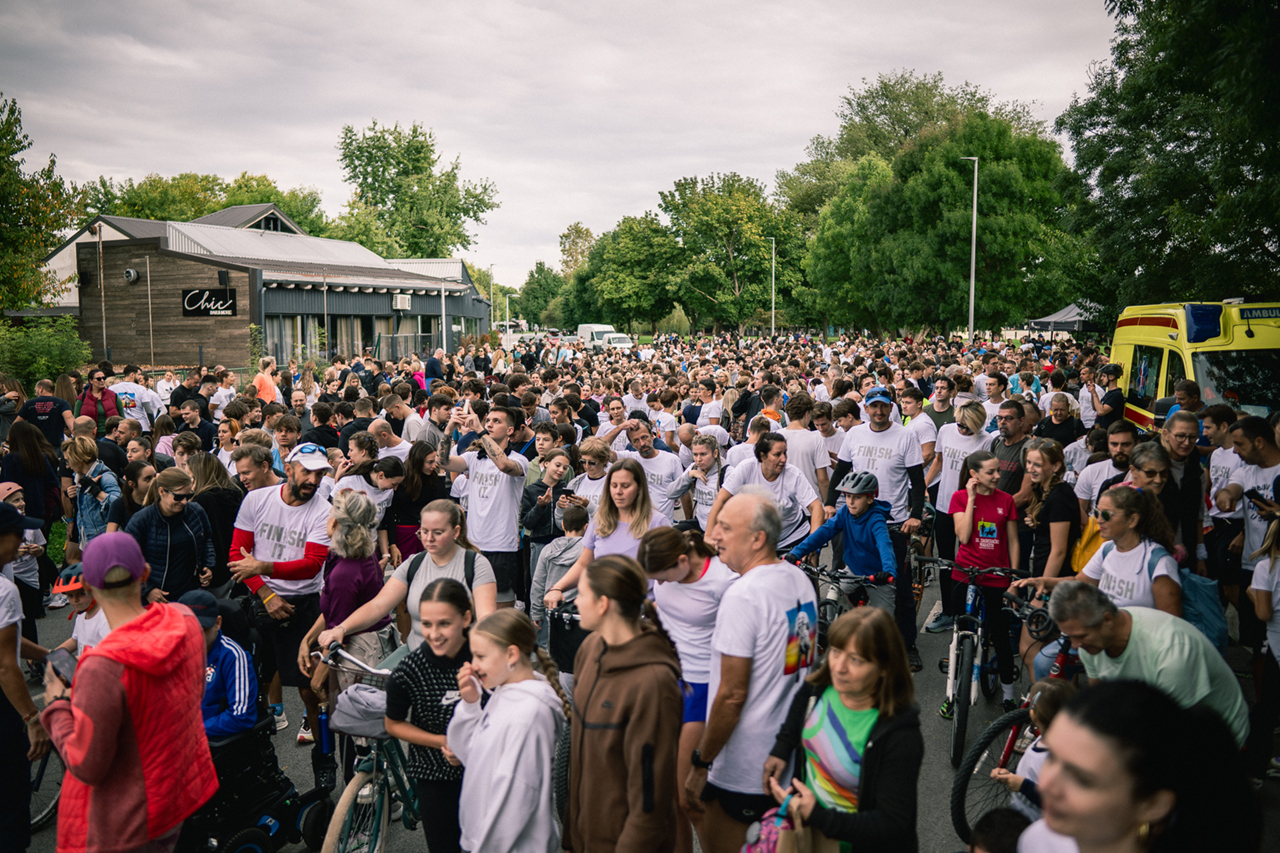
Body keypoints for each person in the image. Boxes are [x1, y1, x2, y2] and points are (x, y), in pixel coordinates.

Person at [40, 533, 218, 851]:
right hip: (173, 796)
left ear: (91, 587)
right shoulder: (187, 621)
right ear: (145, 574)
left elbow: (87, 765)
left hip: (123, 823)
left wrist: (56, 705)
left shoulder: (102, 667)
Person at [685, 492, 819, 853]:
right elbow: (800, 670)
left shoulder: (743, 595)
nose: (713, 536)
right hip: (786, 758)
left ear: (757, 538)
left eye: (726, 528)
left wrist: (701, 763)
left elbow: (732, 695)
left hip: (741, 768)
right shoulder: (799, 580)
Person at [1022, 679, 1259, 853]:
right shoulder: (1038, 840)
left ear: (1153, 804)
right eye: (1052, 757)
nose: (1044, 785)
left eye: (1082, 780)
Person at [763, 606, 923, 852]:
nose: (839, 667)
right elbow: (801, 702)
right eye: (836, 651)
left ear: (884, 667)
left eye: (856, 659)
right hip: (810, 837)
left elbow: (893, 823)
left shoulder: (900, 736)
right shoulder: (822, 684)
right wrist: (782, 747)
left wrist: (817, 816)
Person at [567, 556, 684, 853]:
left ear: (603, 604)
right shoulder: (590, 649)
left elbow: (650, 803)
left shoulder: (653, 684)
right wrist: (571, 838)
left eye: (581, 594)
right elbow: (580, 762)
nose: (575, 602)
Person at [1044, 582, 1249, 748]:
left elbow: (1176, 733)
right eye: (1070, 637)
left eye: (1080, 636)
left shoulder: (1170, 651)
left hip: (1212, 738)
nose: (1076, 646)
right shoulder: (1091, 645)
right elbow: (1102, 702)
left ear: (1107, 619)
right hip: (1154, 717)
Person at [227, 444, 333, 746]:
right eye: (307, 472)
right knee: (252, 686)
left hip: (304, 605)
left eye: (320, 472)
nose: (314, 479)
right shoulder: (256, 500)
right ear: (288, 469)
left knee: (310, 689)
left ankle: (322, 758)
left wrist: (262, 566)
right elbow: (237, 555)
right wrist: (266, 595)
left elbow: (312, 565)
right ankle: (259, 760)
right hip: (261, 599)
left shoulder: (323, 510)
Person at [447, 609, 570, 853]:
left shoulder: (529, 713)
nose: (473, 665)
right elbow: (470, 756)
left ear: (511, 654)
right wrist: (470, 705)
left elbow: (516, 793)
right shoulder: (504, 692)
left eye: (480, 656)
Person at [826, 387, 926, 669]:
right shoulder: (854, 435)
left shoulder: (905, 436)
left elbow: (917, 481)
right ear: (866, 409)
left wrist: (914, 515)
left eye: (883, 406)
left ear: (890, 408)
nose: (879, 411)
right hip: (855, 520)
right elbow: (842, 471)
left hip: (891, 523)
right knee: (851, 577)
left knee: (902, 590)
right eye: (874, 406)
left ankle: (908, 645)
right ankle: (867, 618)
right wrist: (830, 502)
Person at [319, 500, 498, 652]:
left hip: (460, 659)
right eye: (424, 532)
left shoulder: (476, 565)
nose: (428, 539)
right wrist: (341, 629)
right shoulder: (414, 563)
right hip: (416, 655)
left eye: (438, 532)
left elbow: (486, 619)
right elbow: (378, 606)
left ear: (456, 532)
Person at [384, 578, 474, 853]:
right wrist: (441, 741)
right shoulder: (408, 671)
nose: (434, 634)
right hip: (434, 774)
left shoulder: (486, 656)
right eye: (426, 624)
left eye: (444, 623)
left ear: (466, 617)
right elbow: (393, 724)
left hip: (487, 769)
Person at [943, 450, 1021, 715]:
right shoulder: (960, 497)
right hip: (965, 574)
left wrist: (1012, 578)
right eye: (991, 472)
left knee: (999, 635)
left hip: (997, 576)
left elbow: (1013, 542)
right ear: (974, 474)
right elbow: (963, 537)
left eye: (998, 470)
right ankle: (951, 694)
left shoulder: (1007, 500)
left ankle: (1009, 695)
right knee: (960, 634)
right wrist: (972, 499)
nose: (998, 476)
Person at [542, 459, 673, 611]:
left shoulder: (657, 522)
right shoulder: (599, 521)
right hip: (604, 609)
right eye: (614, 485)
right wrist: (557, 588)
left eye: (625, 486)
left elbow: (671, 574)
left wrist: (656, 608)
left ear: (639, 488)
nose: (618, 491)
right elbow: (583, 564)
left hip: (642, 611)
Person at [439, 405, 530, 607]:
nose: (489, 424)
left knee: (499, 610)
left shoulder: (520, 461)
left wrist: (480, 430)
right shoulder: (473, 457)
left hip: (501, 546)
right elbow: (442, 462)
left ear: (510, 430)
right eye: (488, 420)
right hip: (472, 544)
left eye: (496, 421)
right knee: (469, 607)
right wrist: (448, 429)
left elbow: (504, 465)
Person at [0, 503, 50, 851]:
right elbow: (5, 665)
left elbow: (12, 642)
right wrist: (32, 718)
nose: (21, 541)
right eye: (16, 534)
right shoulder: (5, 591)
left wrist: (49, 655)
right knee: (11, 802)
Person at [788, 471, 897, 612]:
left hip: (877, 574)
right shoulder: (845, 512)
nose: (851, 502)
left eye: (857, 497)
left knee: (885, 621)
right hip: (853, 568)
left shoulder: (876, 519)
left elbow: (884, 545)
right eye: (848, 496)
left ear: (870, 499)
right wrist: (797, 552)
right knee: (831, 600)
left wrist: (888, 570)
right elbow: (824, 532)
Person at [925, 402, 990, 633]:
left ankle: (967, 611)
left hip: (971, 508)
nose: (961, 430)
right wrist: (924, 486)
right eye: (960, 425)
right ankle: (948, 611)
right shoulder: (946, 431)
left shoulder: (987, 440)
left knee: (969, 561)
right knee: (945, 560)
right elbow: (939, 461)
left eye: (967, 427)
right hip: (944, 505)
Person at [706, 433, 823, 553]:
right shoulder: (746, 468)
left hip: (793, 536)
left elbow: (816, 507)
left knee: (805, 565)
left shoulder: (793, 474)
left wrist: (812, 543)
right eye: (777, 454)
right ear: (763, 456)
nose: (784, 459)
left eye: (785, 453)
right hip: (760, 539)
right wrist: (709, 536)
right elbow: (721, 499)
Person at [125, 467, 216, 602]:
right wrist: (147, 590)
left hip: (190, 592)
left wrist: (208, 566)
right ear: (162, 491)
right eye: (178, 497)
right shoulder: (142, 520)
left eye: (189, 496)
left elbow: (206, 539)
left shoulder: (195, 511)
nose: (184, 501)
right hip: (158, 597)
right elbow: (127, 561)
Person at [990, 679, 1076, 821]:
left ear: (1034, 716)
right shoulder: (1045, 741)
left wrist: (1023, 785)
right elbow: (1033, 773)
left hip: (1034, 822)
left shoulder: (1053, 758)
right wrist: (1011, 774)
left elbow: (1055, 801)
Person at [179, 589, 257, 738]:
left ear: (217, 623)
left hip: (208, 739)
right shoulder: (171, 652)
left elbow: (241, 716)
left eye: (203, 630)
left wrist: (192, 731)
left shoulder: (233, 656)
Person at [188, 451, 244, 599]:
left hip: (213, 568)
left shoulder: (202, 500)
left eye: (191, 477)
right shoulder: (235, 493)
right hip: (235, 564)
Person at [63, 435, 121, 547]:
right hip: (88, 538)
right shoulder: (80, 477)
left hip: (104, 540)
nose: (68, 466)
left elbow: (118, 503)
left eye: (68, 461)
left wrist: (97, 492)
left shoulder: (105, 476)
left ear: (80, 459)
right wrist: (74, 495)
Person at [667, 433, 725, 533]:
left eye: (703, 454)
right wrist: (689, 476)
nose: (698, 459)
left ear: (715, 453)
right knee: (669, 535)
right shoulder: (694, 467)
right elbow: (670, 493)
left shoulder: (727, 473)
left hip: (719, 528)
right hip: (700, 523)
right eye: (695, 454)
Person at [49, 565, 109, 655]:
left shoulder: (105, 619)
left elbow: (111, 653)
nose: (75, 600)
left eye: (81, 594)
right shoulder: (82, 615)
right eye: (70, 596)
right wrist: (50, 656)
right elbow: (74, 641)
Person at [13, 378, 74, 450]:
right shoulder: (62, 403)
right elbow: (69, 418)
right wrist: (76, 434)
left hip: (35, 446)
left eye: (36, 390)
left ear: (41, 389)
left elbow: (16, 423)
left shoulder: (29, 404)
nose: (35, 393)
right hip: (55, 445)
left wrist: (8, 441)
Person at [73, 367, 119, 438]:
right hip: (89, 436)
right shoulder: (83, 397)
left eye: (104, 378)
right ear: (91, 380)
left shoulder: (113, 395)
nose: (102, 380)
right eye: (99, 379)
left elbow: (121, 417)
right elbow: (76, 419)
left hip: (110, 436)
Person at [1084, 363, 1125, 431]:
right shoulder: (1109, 393)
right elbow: (1096, 408)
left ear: (1111, 377)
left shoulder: (1116, 395)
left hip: (1108, 432)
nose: (1101, 378)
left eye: (1104, 376)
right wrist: (1092, 392)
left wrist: (1094, 394)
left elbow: (1101, 411)